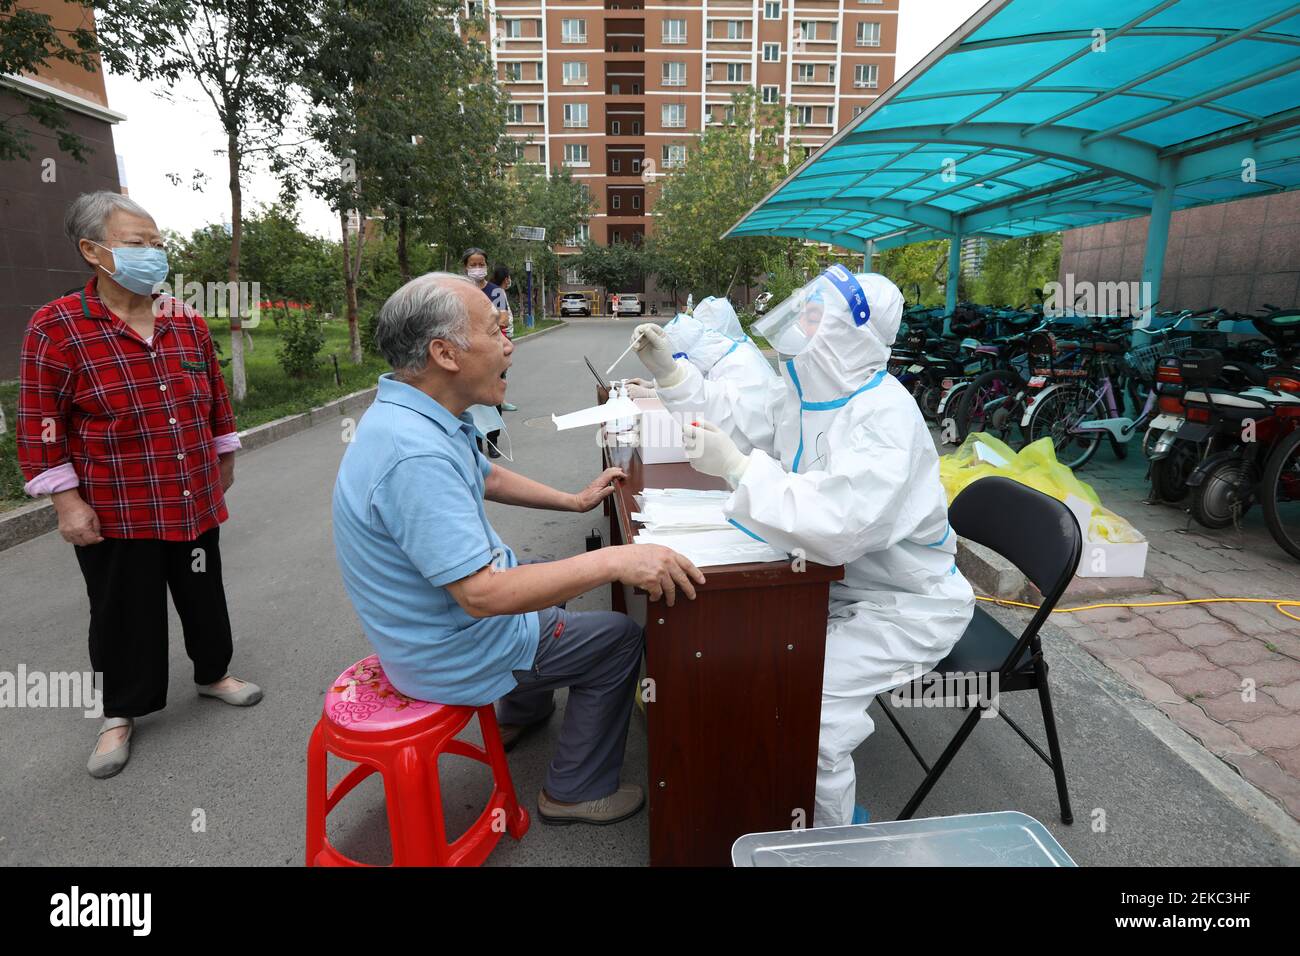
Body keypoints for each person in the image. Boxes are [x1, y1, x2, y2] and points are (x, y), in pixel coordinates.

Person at [332, 272, 705, 825]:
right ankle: (574, 791)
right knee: (619, 640)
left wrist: (575, 502)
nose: (509, 343)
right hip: (449, 649)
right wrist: (618, 558)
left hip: (430, 630)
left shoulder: (411, 415)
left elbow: (486, 476)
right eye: (494, 330)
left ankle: (519, 713)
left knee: (540, 576)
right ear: (445, 353)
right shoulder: (414, 456)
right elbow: (482, 595)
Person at [630, 266, 975, 828]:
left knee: (809, 713)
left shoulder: (884, 416)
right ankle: (750, 796)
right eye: (805, 310)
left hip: (906, 605)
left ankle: (828, 845)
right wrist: (673, 376)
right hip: (830, 583)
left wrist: (740, 469)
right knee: (747, 656)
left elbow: (842, 522)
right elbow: (749, 423)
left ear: (851, 332)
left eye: (818, 315)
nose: (803, 324)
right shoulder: (808, 385)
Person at [16, 191, 261, 780]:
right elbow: (40, 422)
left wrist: (224, 454)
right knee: (123, 610)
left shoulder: (183, 318)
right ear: (92, 250)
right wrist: (65, 501)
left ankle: (212, 674)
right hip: (117, 505)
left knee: (204, 593)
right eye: (136, 243)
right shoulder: (57, 327)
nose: (153, 253)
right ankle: (120, 712)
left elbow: (213, 396)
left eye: (157, 243)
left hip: (191, 492)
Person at [627, 295, 785, 454]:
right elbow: (705, 394)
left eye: (681, 360)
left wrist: (662, 383)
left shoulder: (739, 365)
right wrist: (659, 383)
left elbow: (719, 415)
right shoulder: (722, 358)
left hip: (754, 458)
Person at [462, 248, 509, 456]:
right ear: (466, 267)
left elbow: (504, 319)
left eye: (481, 264)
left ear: (486, 266)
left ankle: (493, 441)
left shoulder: (496, 292)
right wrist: (489, 319)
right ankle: (475, 442)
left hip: (493, 351)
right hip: (468, 353)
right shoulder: (460, 289)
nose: (477, 268)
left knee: (493, 396)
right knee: (471, 399)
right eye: (473, 264)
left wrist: (475, 322)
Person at [491, 264, 518, 413]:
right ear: (505, 278)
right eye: (509, 277)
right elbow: (501, 318)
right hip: (502, 337)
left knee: (502, 369)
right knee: (501, 370)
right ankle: (500, 400)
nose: (510, 280)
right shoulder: (497, 293)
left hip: (504, 335)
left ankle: (499, 399)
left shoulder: (498, 292)